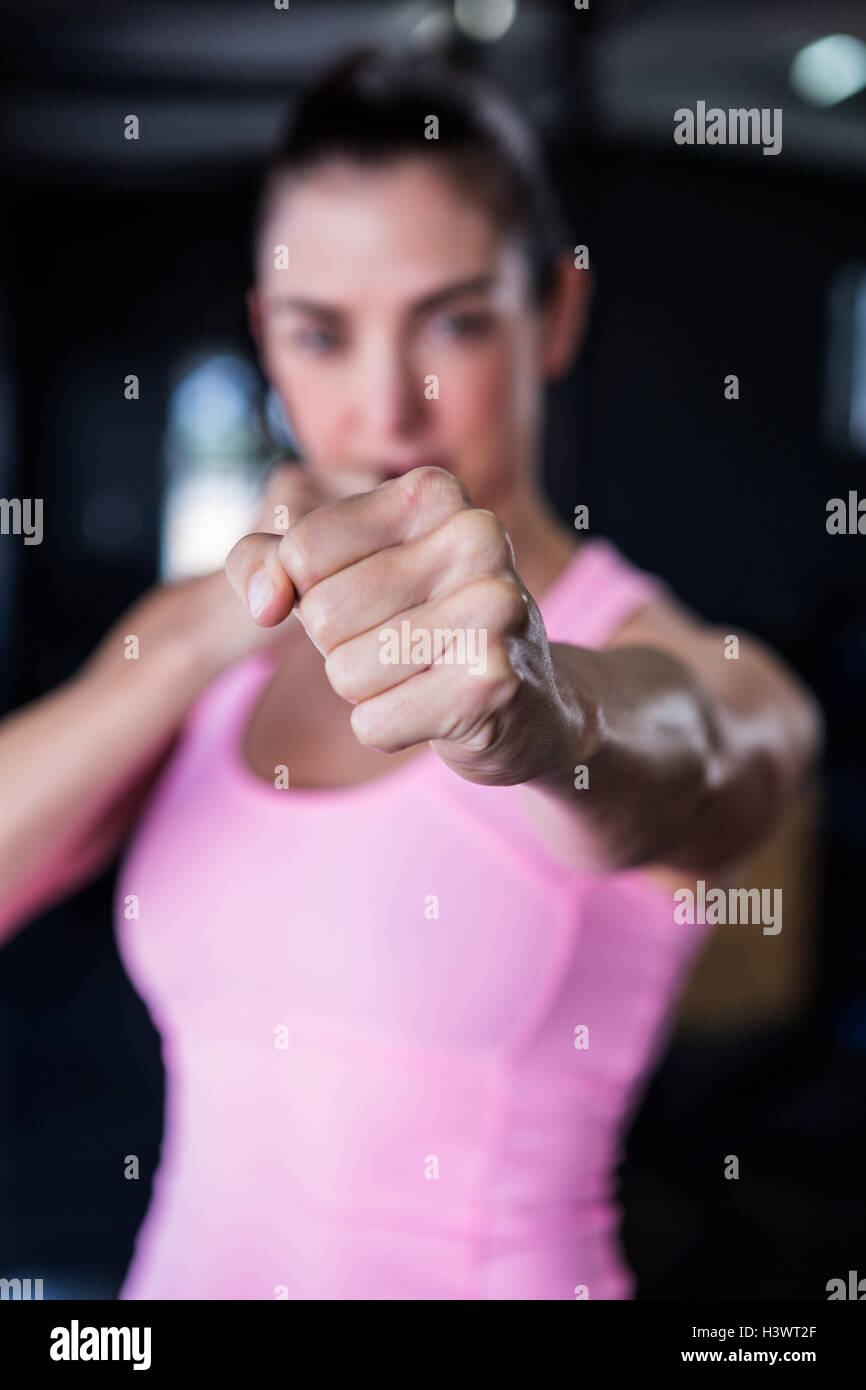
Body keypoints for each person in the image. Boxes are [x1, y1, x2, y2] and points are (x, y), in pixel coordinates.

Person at [0, 50, 821, 1300]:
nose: (387, 407)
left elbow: (707, 753)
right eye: (320, 333)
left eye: (451, 321)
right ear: (266, 335)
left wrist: (547, 719)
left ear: (552, 312)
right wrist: (194, 637)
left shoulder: (663, 650)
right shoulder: (202, 642)